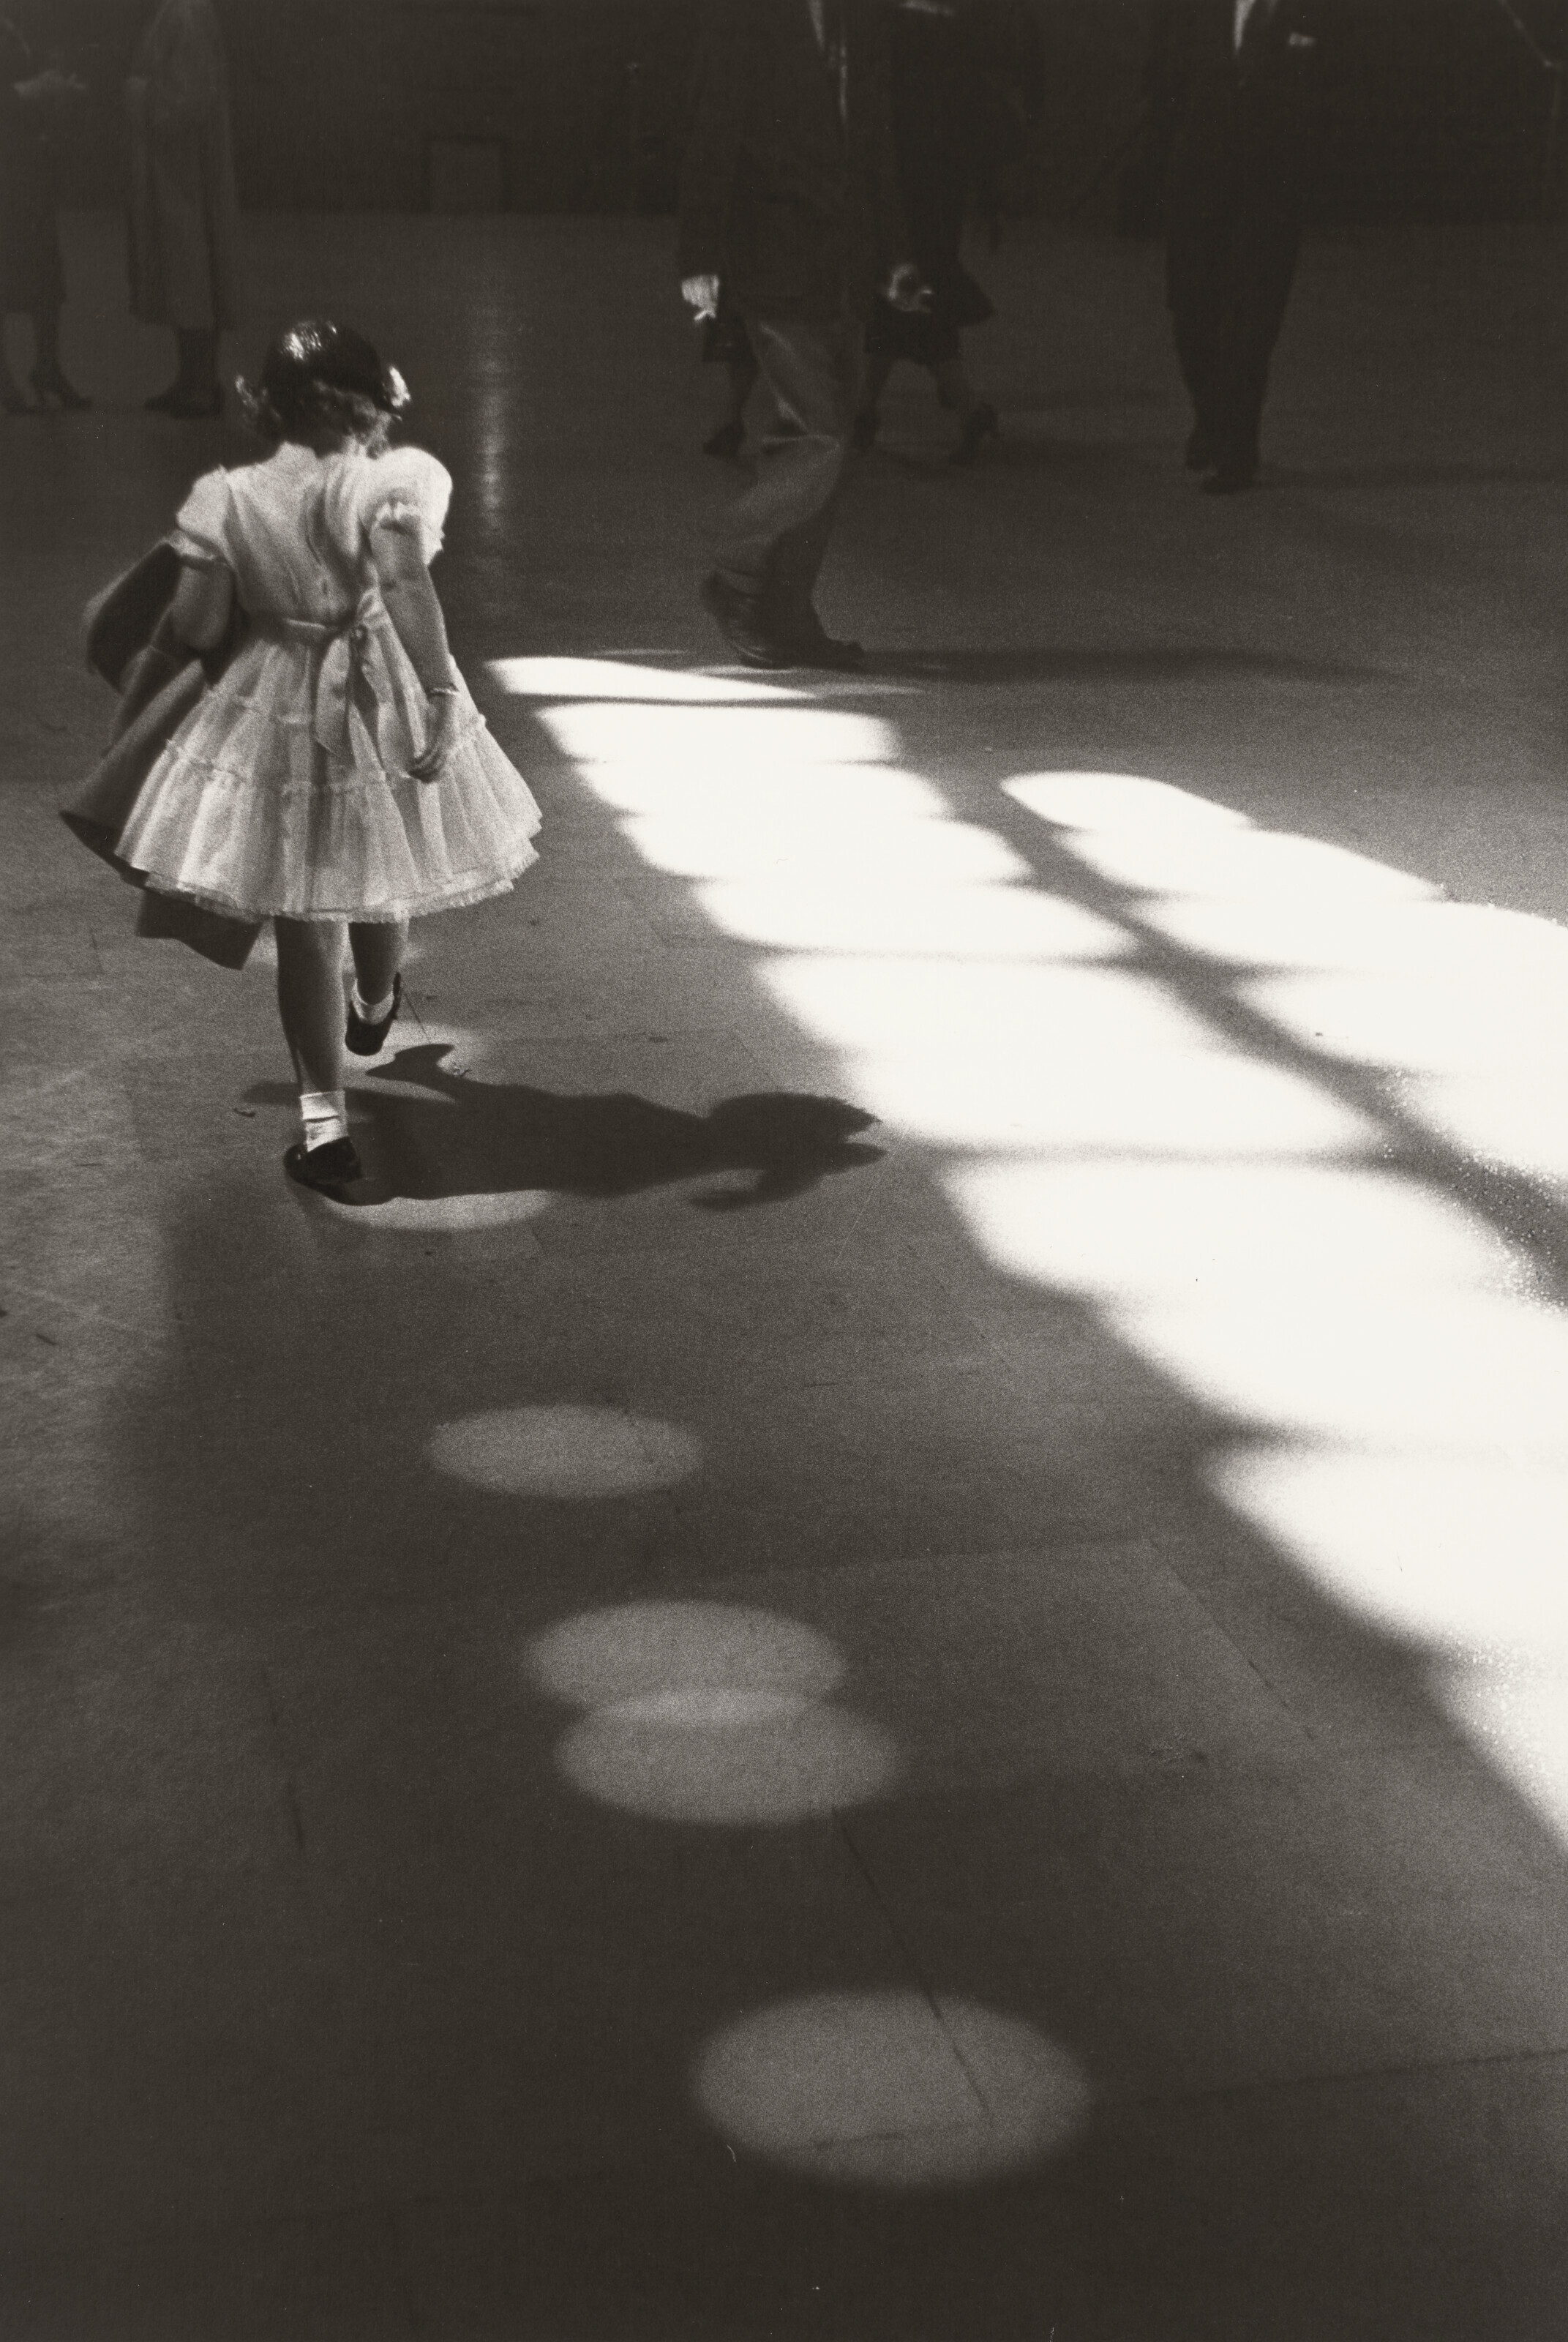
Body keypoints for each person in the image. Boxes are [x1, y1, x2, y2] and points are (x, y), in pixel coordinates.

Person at [105, 321, 542, 1193]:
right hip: (383, 684)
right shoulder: (392, 482)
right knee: (384, 854)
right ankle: (375, 1002)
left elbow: (198, 626)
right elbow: (406, 581)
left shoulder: (226, 496)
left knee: (306, 920)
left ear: (267, 407)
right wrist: (439, 691)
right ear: (375, 408)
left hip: (277, 694)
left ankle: (325, 1129)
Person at [678, 0, 926, 671]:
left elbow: (875, 148)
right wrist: (699, 253)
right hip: (774, 258)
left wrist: (896, 256)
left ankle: (787, 613)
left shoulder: (860, 20)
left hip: (845, 266)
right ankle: (735, 571)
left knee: (831, 447)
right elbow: (712, 130)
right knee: (821, 436)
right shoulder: (745, 17)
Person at [1119, 0, 1328, 494]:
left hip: (1273, 189)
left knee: (1250, 321)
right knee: (1189, 311)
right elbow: (1162, 78)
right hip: (1198, 179)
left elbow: (1338, 86)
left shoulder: (1318, 9)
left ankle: (1237, 451)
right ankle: (1211, 417)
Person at [853, 0, 1000, 465]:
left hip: (904, 184)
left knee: (906, 296)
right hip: (939, 186)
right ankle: (869, 410)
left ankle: (960, 407)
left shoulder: (891, 28)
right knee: (913, 296)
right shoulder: (956, 29)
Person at [125, 0, 240, 419]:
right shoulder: (179, 11)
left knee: (192, 271)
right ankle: (191, 377)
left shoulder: (185, 13)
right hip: (178, 167)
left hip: (185, 171)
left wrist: (139, 93)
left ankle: (201, 382)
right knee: (184, 272)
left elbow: (188, 97)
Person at [0, 7, 89, 412]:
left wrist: (52, 91)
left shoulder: (16, 24)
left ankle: (47, 365)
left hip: (26, 169)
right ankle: (6, 376)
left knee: (43, 271)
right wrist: (34, 90)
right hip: (8, 171)